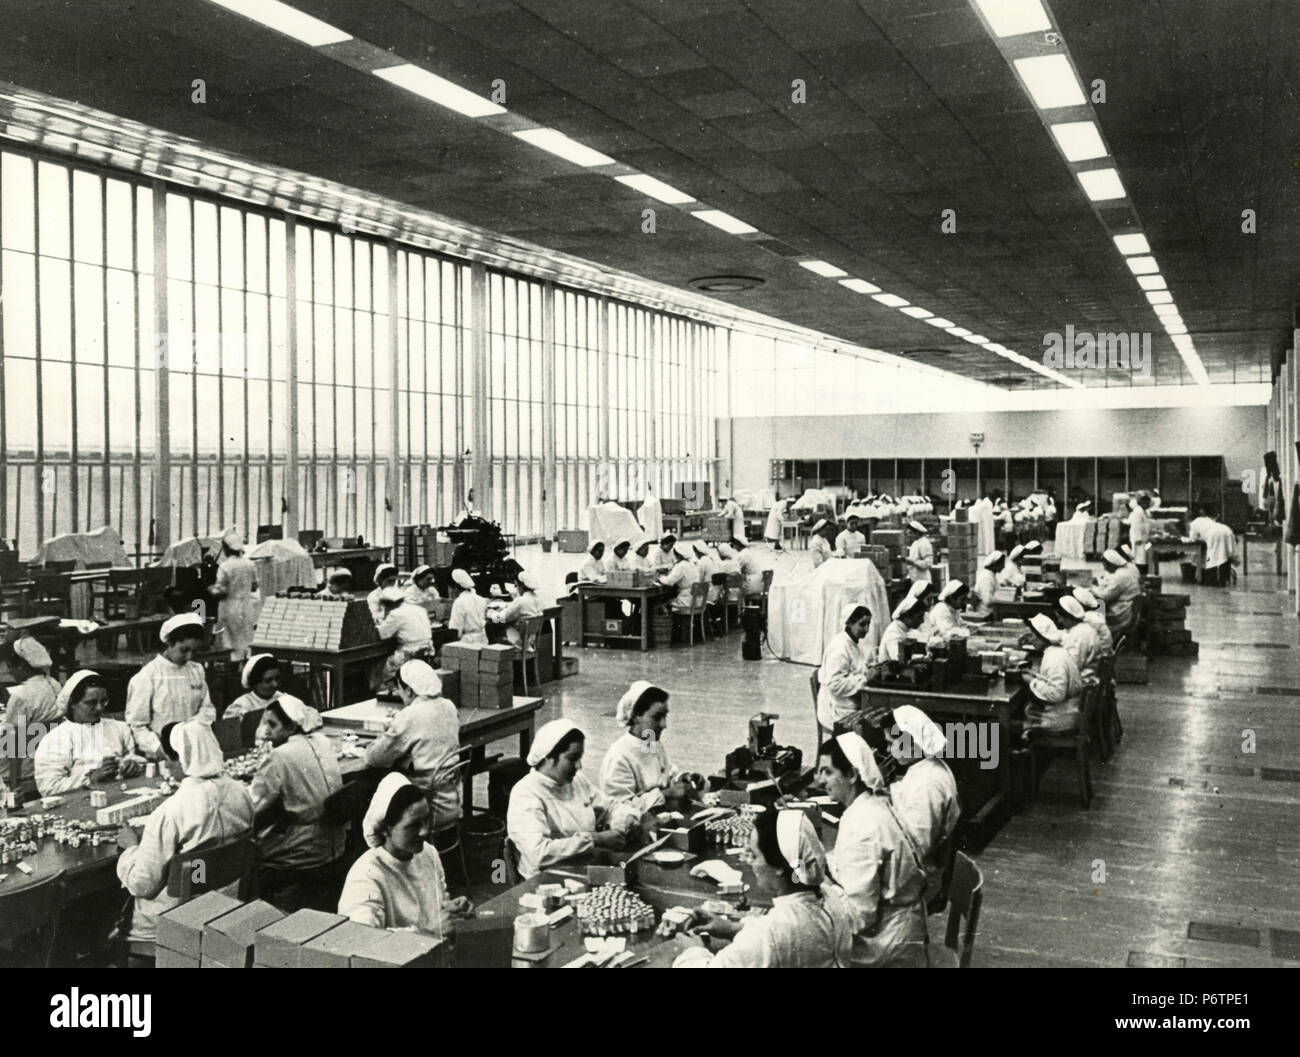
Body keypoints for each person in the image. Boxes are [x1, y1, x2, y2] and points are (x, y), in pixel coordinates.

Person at [115, 720, 254, 946]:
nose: (167, 765)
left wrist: (131, 848)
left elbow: (142, 885)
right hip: (226, 904)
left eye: (168, 759)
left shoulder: (170, 811)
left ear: (181, 758)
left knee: (110, 911)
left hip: (177, 920)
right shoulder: (241, 791)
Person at [673, 809, 854, 968]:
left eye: (754, 854)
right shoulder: (831, 895)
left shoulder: (768, 933)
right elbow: (787, 938)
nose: (749, 862)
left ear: (779, 867)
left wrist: (692, 950)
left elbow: (772, 938)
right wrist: (732, 928)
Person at [818, 733, 928, 967]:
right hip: (899, 929)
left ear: (852, 774)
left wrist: (820, 891)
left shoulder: (864, 828)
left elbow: (858, 917)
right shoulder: (871, 804)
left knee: (803, 947)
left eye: (827, 772)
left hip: (884, 946)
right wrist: (823, 862)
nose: (819, 780)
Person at [338, 773, 472, 937]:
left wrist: (450, 909)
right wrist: (428, 931)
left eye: (427, 820)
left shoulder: (428, 852)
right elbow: (361, 940)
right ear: (385, 829)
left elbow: (437, 904)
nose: (424, 831)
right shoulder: (366, 877)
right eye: (413, 825)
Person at [506, 720, 644, 879]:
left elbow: (610, 807)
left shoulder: (577, 781)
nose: (579, 766)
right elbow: (538, 853)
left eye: (580, 758)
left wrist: (627, 817)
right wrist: (595, 839)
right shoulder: (526, 793)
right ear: (548, 758)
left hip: (584, 867)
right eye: (572, 758)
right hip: (547, 878)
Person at [249, 694, 346, 902]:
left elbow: (252, 807)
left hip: (305, 850)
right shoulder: (323, 741)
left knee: (250, 852)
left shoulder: (280, 756)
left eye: (272, 725)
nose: (265, 732)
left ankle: (259, 908)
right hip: (335, 844)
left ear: (292, 726)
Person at [364, 661, 461, 834]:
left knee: (365, 787)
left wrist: (386, 734)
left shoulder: (411, 715)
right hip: (451, 802)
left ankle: (369, 843)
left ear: (409, 690)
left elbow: (375, 758)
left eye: (400, 690)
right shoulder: (449, 706)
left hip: (425, 808)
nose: (400, 695)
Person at [889, 705, 960, 904]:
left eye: (890, 743)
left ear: (912, 743)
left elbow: (914, 848)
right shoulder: (930, 767)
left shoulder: (927, 785)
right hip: (920, 871)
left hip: (918, 884)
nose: (888, 749)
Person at [34, 671, 145, 795]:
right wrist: (90, 778)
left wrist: (132, 765)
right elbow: (49, 787)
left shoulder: (118, 728)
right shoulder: (57, 738)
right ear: (72, 703)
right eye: (92, 703)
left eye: (104, 701)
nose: (99, 708)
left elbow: (134, 758)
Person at [125, 613, 217, 759]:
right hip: (162, 753)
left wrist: (194, 728)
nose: (189, 657)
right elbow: (137, 725)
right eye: (184, 650)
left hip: (195, 747)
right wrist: (158, 748)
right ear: (169, 643)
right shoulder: (147, 676)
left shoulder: (196, 670)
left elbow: (207, 708)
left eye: (194, 651)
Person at [599, 681, 696, 815]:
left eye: (665, 716)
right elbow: (618, 809)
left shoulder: (650, 741)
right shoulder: (619, 756)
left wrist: (682, 779)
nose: (664, 724)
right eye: (657, 717)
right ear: (636, 716)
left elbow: (663, 775)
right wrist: (666, 794)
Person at [1, 637, 61, 784]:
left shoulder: (21, 696)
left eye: (10, 666)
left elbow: (13, 746)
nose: (9, 671)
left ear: (21, 666)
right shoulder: (54, 684)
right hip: (48, 752)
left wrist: (14, 784)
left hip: (25, 766)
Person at [817, 604, 879, 732]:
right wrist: (865, 678)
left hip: (847, 700)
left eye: (868, 624)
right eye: (862, 624)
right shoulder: (840, 647)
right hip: (836, 707)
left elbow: (854, 669)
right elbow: (835, 685)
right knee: (877, 725)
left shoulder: (852, 642)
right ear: (849, 623)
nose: (867, 629)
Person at [1022, 613, 1083, 733]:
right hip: (1069, 709)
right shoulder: (1056, 651)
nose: (1030, 640)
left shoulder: (1054, 658)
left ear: (1042, 636)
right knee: (1026, 706)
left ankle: (996, 739)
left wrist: (1032, 681)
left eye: (1032, 635)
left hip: (1061, 717)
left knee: (1011, 716)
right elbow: (1053, 681)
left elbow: (1056, 694)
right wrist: (1036, 676)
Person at [209, 529, 261, 661]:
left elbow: (220, 590)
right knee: (247, 637)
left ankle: (233, 665)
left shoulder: (225, 566)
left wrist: (211, 589)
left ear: (227, 549)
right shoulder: (250, 564)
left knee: (230, 640)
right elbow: (254, 587)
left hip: (230, 607)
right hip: (247, 606)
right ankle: (246, 662)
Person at [375, 586, 433, 689]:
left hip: (409, 652)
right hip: (427, 650)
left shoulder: (395, 613)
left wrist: (380, 623)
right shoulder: (419, 609)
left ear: (389, 604)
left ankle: (390, 692)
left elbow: (383, 634)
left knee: (383, 670)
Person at [1094, 548, 1142, 637]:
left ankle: (1101, 634)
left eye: (1105, 565)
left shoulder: (1119, 576)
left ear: (1110, 564)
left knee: (1097, 607)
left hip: (1120, 613)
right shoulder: (1127, 569)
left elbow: (1105, 596)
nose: (1105, 568)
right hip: (1128, 607)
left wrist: (1093, 591)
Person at [223, 653, 282, 720]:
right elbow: (228, 726)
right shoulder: (241, 705)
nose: (275, 684)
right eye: (268, 680)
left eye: (277, 679)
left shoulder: (284, 699)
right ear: (256, 682)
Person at [1056, 595, 1101, 678]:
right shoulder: (1083, 627)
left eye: (1060, 618)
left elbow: (1074, 665)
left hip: (1083, 677)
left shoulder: (1078, 635)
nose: (1059, 621)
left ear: (1069, 617)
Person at [1190, 510, 1236, 586]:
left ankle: (1212, 579)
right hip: (1226, 530)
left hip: (1213, 533)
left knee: (1212, 556)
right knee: (1225, 555)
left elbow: (1193, 539)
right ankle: (1224, 579)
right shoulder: (1207, 519)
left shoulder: (1193, 523)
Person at [878, 595, 925, 664]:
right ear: (907, 617)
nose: (922, 621)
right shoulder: (893, 633)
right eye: (919, 617)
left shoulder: (906, 629)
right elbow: (899, 659)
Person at [448, 568, 489, 645]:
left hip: (467, 642)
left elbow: (456, 631)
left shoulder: (459, 602)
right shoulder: (480, 599)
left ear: (456, 587)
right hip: (483, 639)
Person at [1072, 587, 1114, 655]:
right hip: (1105, 648)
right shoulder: (1094, 614)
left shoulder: (1087, 618)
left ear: (1081, 603)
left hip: (1101, 652)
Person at [658, 545, 697, 614]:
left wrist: (660, 578)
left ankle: (670, 620)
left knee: (661, 603)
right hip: (696, 600)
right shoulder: (691, 564)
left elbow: (669, 581)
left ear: (678, 556)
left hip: (686, 600)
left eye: (675, 556)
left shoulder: (681, 565)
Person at [1127, 493, 1153, 572]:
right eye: (1147, 503)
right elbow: (1136, 525)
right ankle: (1139, 573)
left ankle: (1142, 572)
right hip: (1139, 539)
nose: (1148, 505)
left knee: (1142, 557)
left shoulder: (1143, 511)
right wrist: (1138, 538)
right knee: (1139, 558)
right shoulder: (1138, 512)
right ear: (1142, 502)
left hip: (1143, 538)